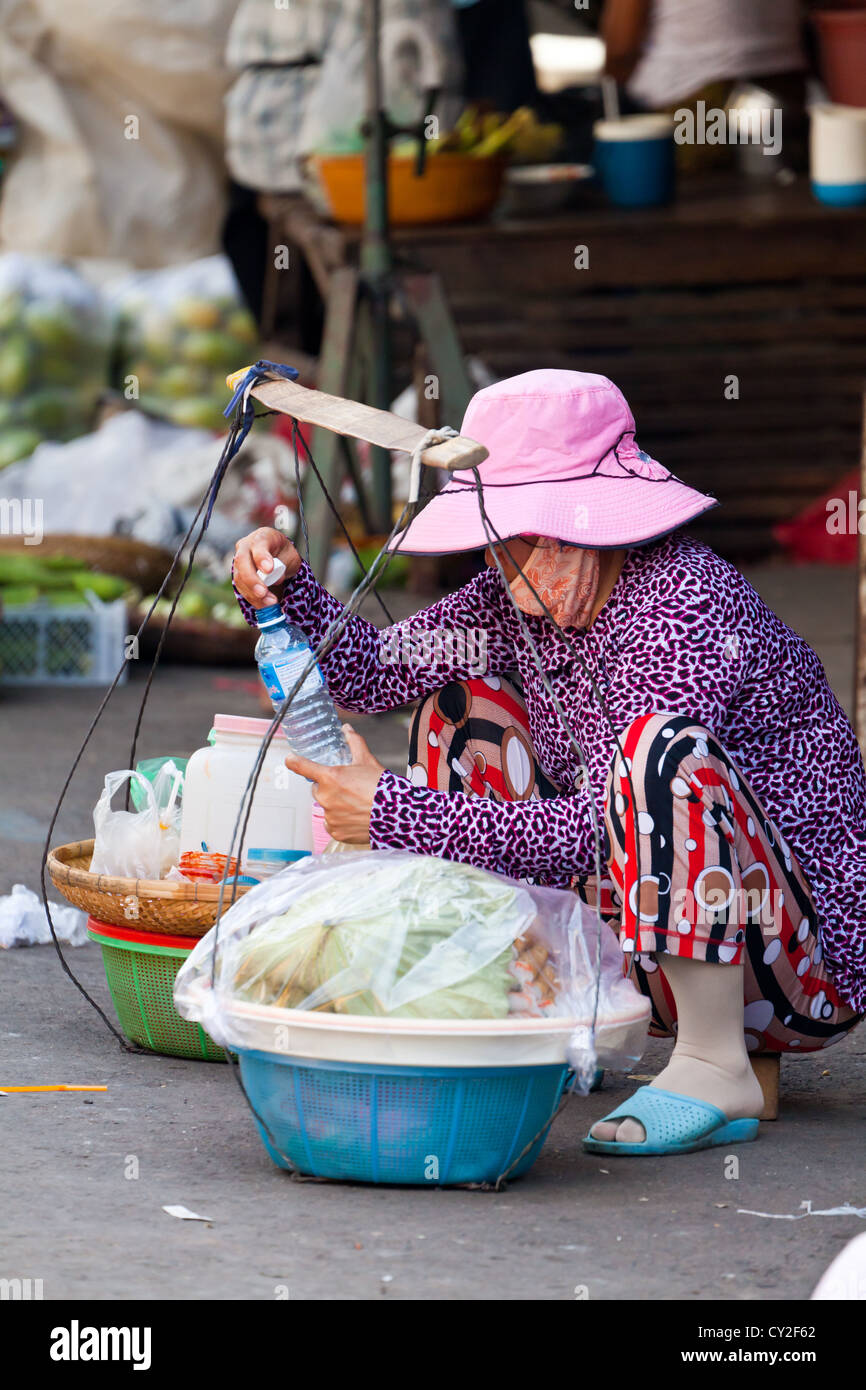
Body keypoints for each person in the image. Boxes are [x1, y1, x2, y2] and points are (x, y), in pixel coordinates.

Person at [233, 370, 865, 1156]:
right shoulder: (517, 594)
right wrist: (287, 590)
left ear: (588, 526)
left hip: (793, 963)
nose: (501, 555)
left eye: (525, 534)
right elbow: (372, 670)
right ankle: (529, 995)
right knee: (459, 712)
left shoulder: (683, 604)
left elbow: (608, 829)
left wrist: (392, 811)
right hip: (640, 937)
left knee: (657, 754)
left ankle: (712, 1061)